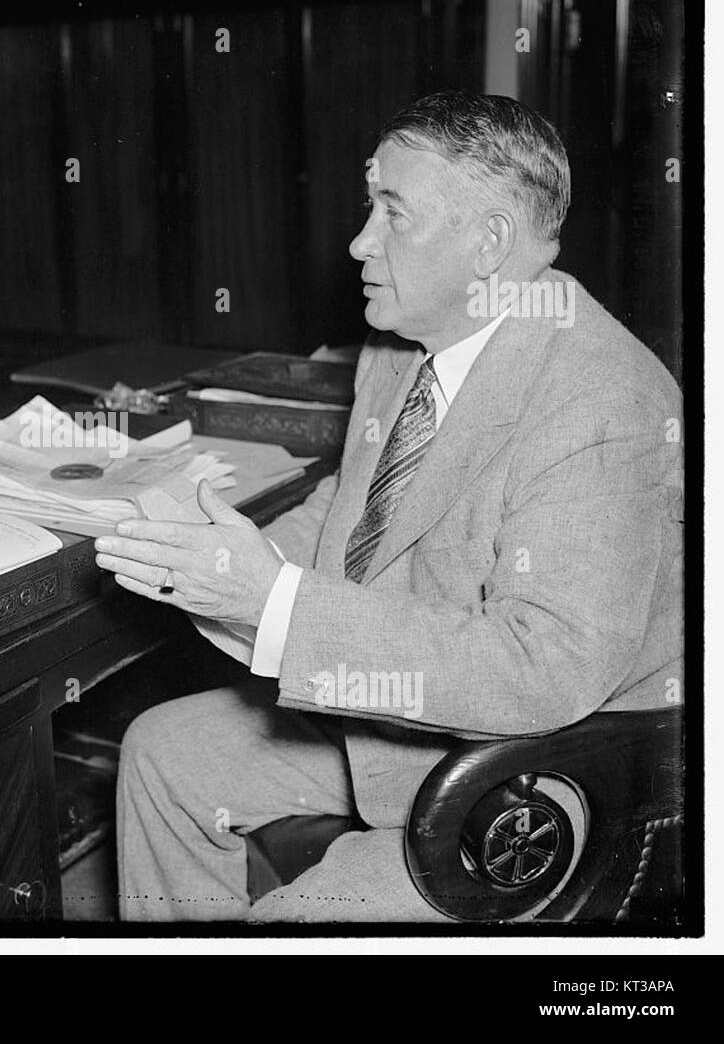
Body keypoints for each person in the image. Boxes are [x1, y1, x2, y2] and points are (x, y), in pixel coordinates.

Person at [96, 91, 684, 921]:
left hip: (551, 765)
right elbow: (357, 501)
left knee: (286, 926)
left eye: (393, 213)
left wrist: (272, 603)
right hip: (421, 714)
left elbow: (544, 666)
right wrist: (216, 557)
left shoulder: (602, 400)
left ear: (489, 243)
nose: (359, 241)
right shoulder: (402, 339)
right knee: (161, 753)